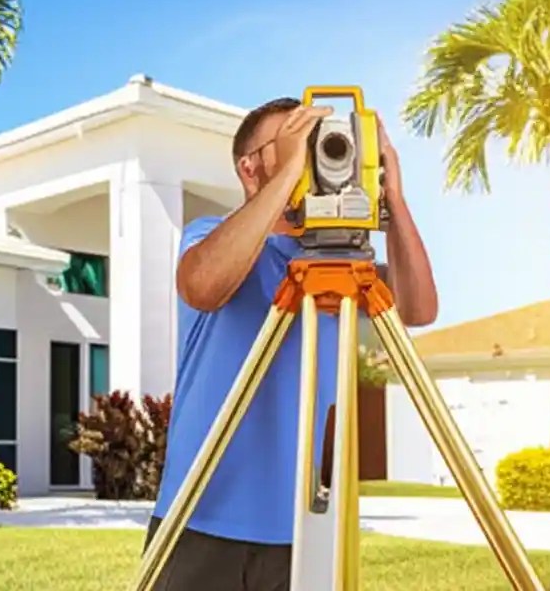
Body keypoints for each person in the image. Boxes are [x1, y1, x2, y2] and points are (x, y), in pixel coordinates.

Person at [145, 98, 439, 590]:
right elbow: (203, 285)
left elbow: (419, 308)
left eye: (319, 139)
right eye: (296, 138)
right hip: (198, 516)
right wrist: (288, 178)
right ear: (250, 166)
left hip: (306, 526)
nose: (313, 150)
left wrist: (394, 196)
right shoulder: (210, 235)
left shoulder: (344, 272)